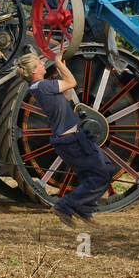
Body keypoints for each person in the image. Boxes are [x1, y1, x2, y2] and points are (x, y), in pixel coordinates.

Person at [18, 48, 115, 227]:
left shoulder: (39, 87)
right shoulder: (44, 86)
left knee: (102, 171)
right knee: (102, 173)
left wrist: (62, 67)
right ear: (33, 71)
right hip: (71, 141)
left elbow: (68, 94)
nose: (42, 63)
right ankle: (65, 206)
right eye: (39, 63)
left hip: (73, 138)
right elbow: (72, 82)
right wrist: (58, 63)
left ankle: (84, 209)